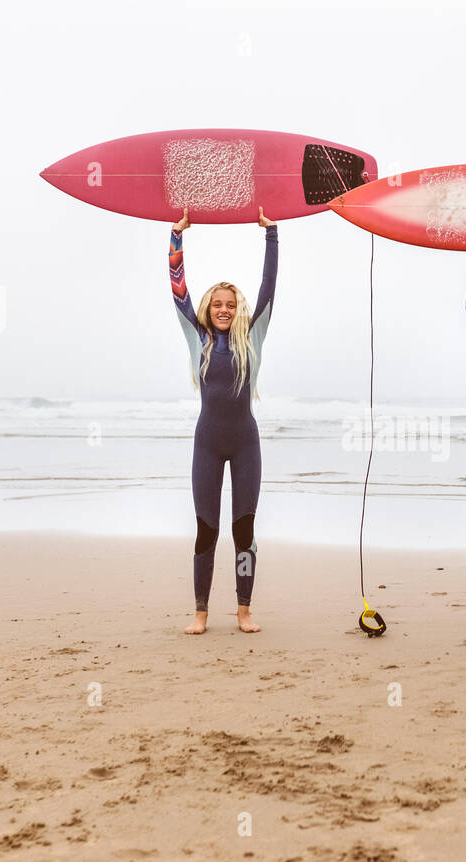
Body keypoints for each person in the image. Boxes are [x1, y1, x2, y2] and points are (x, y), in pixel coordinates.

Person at [169, 206, 277, 634]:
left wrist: (271, 235)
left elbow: (270, 286)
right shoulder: (196, 338)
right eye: (217, 304)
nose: (224, 309)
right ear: (208, 308)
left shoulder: (253, 337)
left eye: (231, 304)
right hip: (207, 445)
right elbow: (178, 291)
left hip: (245, 442)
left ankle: (244, 609)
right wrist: (176, 238)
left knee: (244, 529)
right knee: (205, 529)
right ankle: (200, 611)